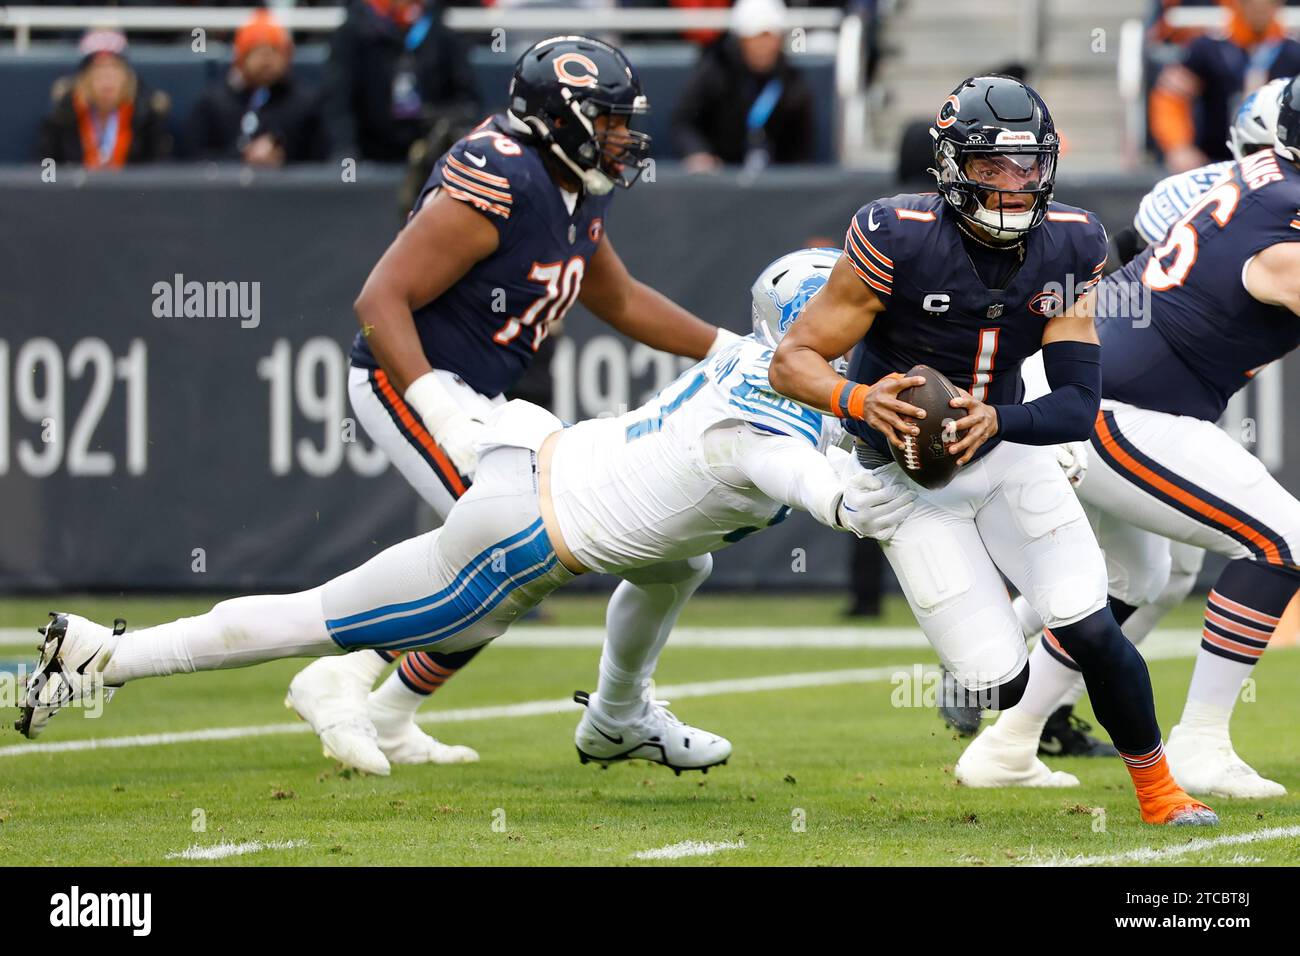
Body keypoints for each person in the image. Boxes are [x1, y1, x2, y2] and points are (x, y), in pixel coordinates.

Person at [18, 250, 916, 778]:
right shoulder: (764, 420)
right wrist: (869, 496)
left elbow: (814, 430)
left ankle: (616, 716)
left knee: (682, 561)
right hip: (519, 532)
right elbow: (803, 474)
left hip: (537, 452)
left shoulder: (759, 365)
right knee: (315, 624)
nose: (863, 333)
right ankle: (105, 655)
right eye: (849, 319)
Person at [281, 36, 742, 775]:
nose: (624, 136)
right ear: (561, 119)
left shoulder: (575, 182)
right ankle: (345, 669)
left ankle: (392, 713)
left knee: (521, 562)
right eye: (609, 120)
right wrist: (436, 405)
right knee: (509, 552)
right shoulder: (503, 176)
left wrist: (727, 348)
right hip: (408, 380)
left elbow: (617, 297)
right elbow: (379, 300)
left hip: (485, 394)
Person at [769, 75, 1217, 826]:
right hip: (900, 473)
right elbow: (792, 361)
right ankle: (991, 679)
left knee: (1092, 625)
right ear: (951, 167)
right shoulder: (895, 233)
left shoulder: (1073, 241)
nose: (1012, 186)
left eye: (1027, 167)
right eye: (990, 169)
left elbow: (1076, 405)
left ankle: (1161, 792)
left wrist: (1002, 422)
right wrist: (855, 399)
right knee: (997, 680)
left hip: (1001, 449)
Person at [955, 74, 1300, 801]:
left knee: (1141, 578)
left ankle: (1008, 743)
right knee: (1281, 539)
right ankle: (1201, 743)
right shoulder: (1283, 217)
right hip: (1111, 402)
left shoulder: (1266, 176)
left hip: (1096, 385)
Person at [1149, 0, 1300, 171]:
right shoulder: (1208, 47)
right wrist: (1178, 146)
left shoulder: (1293, 50)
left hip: (1282, 163)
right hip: (1215, 160)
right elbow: (1171, 97)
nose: (1260, 7)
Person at [322, 0, 479, 163]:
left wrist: (434, 118)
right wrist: (346, 154)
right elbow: (337, 103)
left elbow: (468, 103)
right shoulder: (351, 35)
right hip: (369, 152)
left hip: (432, 153)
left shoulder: (441, 34)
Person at [672, 0, 814, 171]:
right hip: (720, 175)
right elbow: (684, 121)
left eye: (769, 36)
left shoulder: (792, 82)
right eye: (755, 36)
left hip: (773, 180)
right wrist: (698, 152)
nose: (763, 46)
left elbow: (800, 145)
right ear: (741, 39)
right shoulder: (716, 71)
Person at [186, 10, 329, 165]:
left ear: (287, 57)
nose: (266, 61)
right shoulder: (213, 104)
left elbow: (322, 161)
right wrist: (242, 156)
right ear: (241, 58)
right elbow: (194, 160)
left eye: (274, 51)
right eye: (256, 51)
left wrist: (282, 157)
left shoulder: (307, 104)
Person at [37, 29, 171, 169]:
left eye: (115, 68)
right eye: (99, 69)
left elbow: (161, 175)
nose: (107, 79)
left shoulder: (148, 117)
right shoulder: (61, 118)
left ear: (127, 77)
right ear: (84, 79)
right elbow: (44, 173)